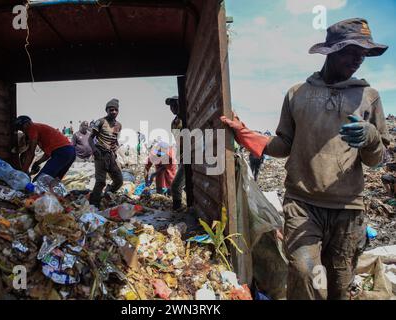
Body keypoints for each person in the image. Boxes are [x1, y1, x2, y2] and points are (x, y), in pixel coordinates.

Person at [220, 18, 390, 300]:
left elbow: (378, 159)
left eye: (363, 53)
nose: (359, 58)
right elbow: (284, 144)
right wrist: (245, 135)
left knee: (339, 284)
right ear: (332, 51)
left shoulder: (368, 97)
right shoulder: (298, 93)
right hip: (303, 203)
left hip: (347, 208)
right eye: (351, 51)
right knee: (304, 272)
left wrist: (370, 137)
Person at [14, 116, 76, 180]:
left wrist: (22, 172)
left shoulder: (31, 128)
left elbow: (31, 153)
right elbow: (48, 154)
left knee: (39, 181)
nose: (23, 131)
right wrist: (37, 163)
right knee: (54, 181)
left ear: (27, 124)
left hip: (62, 152)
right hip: (70, 152)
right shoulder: (40, 132)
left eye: (22, 128)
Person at [88, 99, 123, 208]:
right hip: (100, 153)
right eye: (111, 109)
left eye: (115, 110)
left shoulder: (118, 125)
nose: (113, 112)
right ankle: (94, 205)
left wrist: (115, 149)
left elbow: (114, 139)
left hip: (110, 155)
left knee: (119, 180)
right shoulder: (101, 121)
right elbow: (90, 138)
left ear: (118, 111)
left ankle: (107, 192)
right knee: (100, 181)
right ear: (107, 110)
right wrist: (94, 150)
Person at [167, 96, 186, 211]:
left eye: (175, 105)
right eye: (171, 106)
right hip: (181, 155)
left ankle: (177, 209)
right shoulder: (174, 122)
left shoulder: (186, 118)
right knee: (184, 185)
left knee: (175, 186)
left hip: (190, 156)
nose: (173, 107)